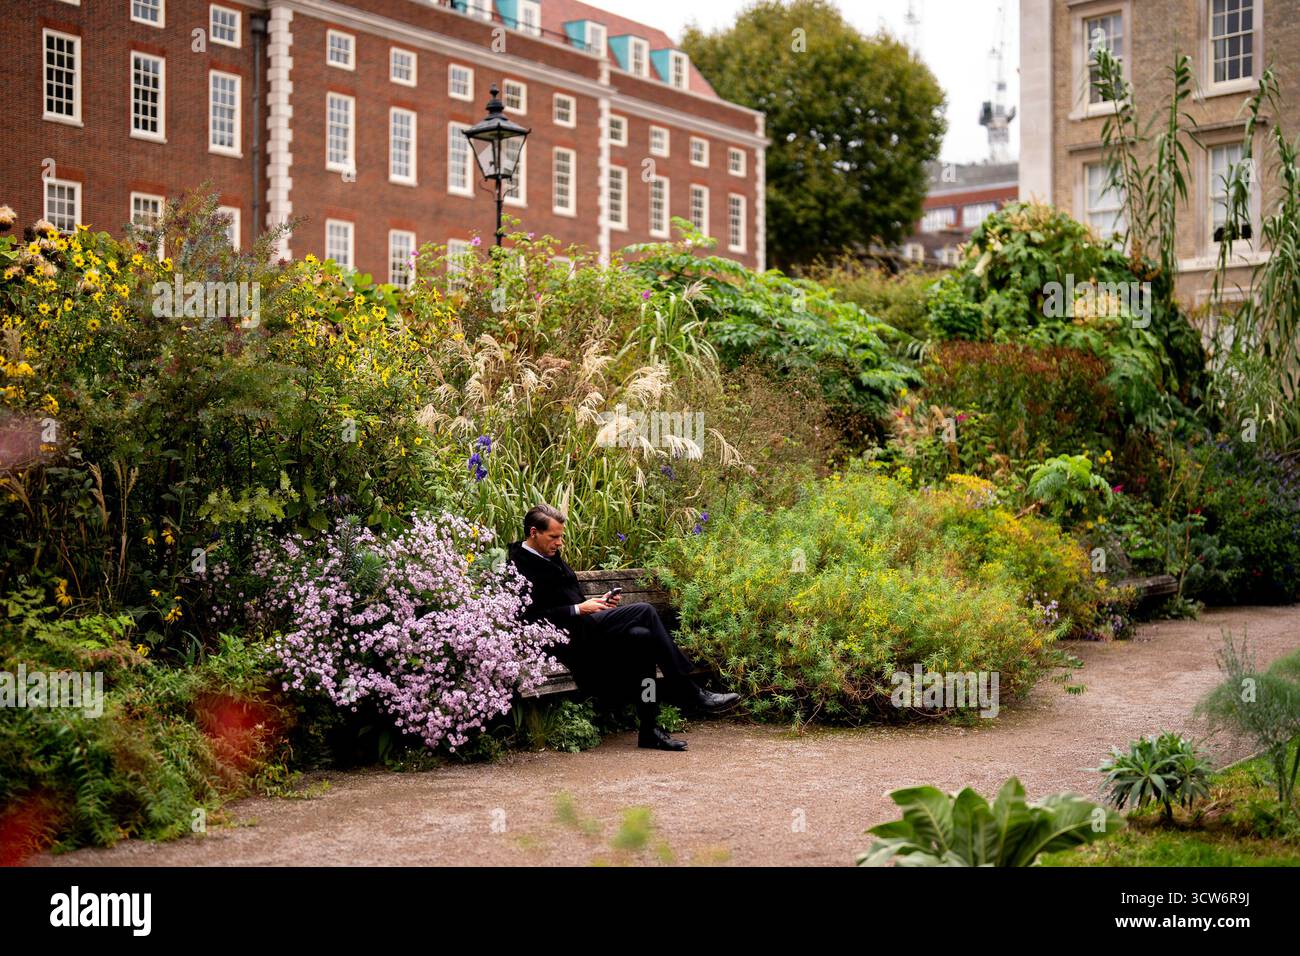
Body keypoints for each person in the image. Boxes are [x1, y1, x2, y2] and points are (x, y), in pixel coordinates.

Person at [507, 503, 739, 751]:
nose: (560, 542)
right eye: (554, 536)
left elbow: (570, 596)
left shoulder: (550, 555)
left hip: (586, 628)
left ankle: (649, 730)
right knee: (645, 611)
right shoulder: (517, 567)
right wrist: (578, 609)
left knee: (643, 638)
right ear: (534, 533)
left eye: (561, 536)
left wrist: (599, 602)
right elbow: (527, 619)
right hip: (565, 641)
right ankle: (689, 691)